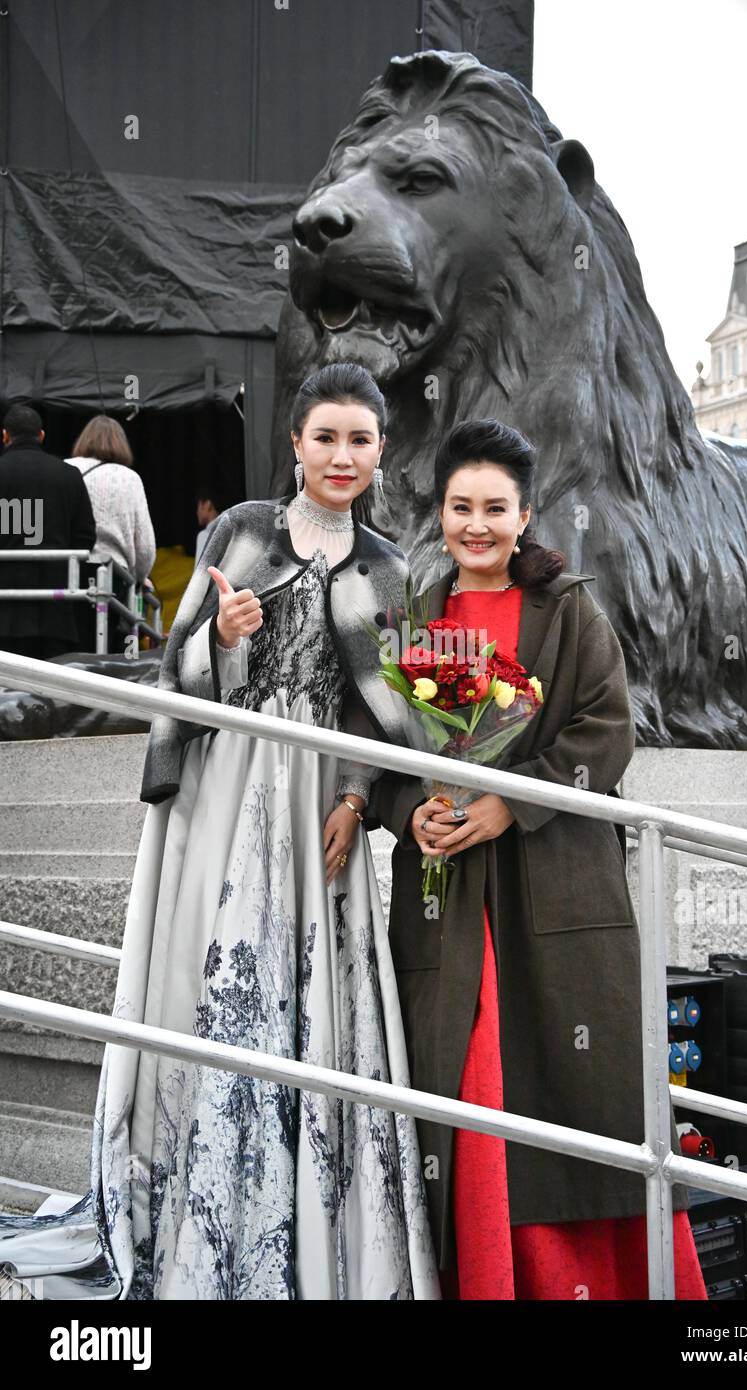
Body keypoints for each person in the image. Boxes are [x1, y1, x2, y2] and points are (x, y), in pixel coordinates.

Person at [0, 365, 439, 1301]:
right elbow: (178, 664)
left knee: (320, 1005)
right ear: (295, 444)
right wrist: (223, 638)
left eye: (360, 440)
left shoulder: (391, 569)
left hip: (324, 799)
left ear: (380, 451)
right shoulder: (238, 531)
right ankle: (195, 1210)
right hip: (224, 785)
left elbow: (386, 717)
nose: (342, 456)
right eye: (326, 437)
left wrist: (356, 799)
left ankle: (313, 1231)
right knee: (206, 983)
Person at [371, 419, 708, 1301]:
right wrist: (414, 815)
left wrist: (503, 804)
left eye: (494, 508)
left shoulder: (568, 610)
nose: (475, 525)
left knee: (571, 1094)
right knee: (470, 1081)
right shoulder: (420, 618)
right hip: (451, 897)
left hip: (552, 882)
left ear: (524, 517)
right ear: (438, 512)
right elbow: (378, 756)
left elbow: (607, 735)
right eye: (459, 506)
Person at [0, 404, 96, 660]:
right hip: (55, 613)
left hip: (3, 610)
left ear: (5, 436)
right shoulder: (69, 475)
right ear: (41, 435)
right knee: (51, 695)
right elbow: (85, 538)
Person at [66, 415, 156, 652]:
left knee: (70, 648)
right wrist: (139, 577)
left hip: (67, 571)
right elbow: (145, 546)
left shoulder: (65, 469)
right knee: (105, 649)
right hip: (114, 576)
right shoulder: (129, 479)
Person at [194, 489, 223, 562]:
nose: (197, 512)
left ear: (208, 504)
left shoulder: (205, 535)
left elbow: (199, 572)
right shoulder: (233, 530)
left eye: (198, 507)